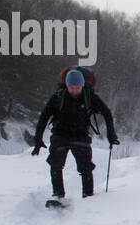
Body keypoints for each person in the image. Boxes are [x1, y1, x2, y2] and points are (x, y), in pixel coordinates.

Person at [31, 69, 119, 198]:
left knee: (86, 168)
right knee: (55, 164)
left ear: (82, 85)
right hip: (60, 134)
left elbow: (106, 113)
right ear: (67, 86)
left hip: (80, 135)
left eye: (77, 87)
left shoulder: (89, 96)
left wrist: (111, 135)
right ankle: (58, 195)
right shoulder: (58, 97)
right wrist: (38, 139)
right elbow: (44, 117)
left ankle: (88, 196)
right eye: (71, 87)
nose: (74, 90)